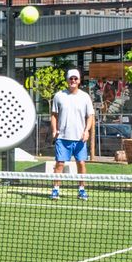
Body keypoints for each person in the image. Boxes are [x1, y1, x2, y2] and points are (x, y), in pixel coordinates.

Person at [48, 68, 95, 200]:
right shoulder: (59, 96)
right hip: (62, 138)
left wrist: (86, 131)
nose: (73, 81)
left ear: (79, 80)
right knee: (60, 164)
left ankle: (82, 190)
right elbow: (54, 115)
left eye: (75, 78)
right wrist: (54, 130)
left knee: (81, 163)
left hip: (80, 139)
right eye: (71, 78)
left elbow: (90, 116)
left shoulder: (85, 97)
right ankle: (55, 189)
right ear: (67, 80)